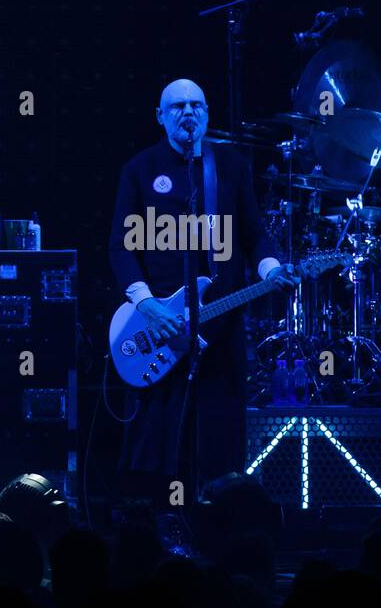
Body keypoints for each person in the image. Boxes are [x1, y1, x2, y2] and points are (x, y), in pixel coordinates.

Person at [107, 79, 299, 506]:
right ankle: (157, 526)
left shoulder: (229, 165)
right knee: (158, 438)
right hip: (161, 324)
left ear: (208, 113)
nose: (187, 113)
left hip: (220, 325)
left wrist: (270, 268)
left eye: (196, 105)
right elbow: (121, 246)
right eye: (177, 107)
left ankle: (216, 526)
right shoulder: (139, 169)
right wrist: (147, 304)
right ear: (160, 116)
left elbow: (254, 233)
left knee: (219, 437)